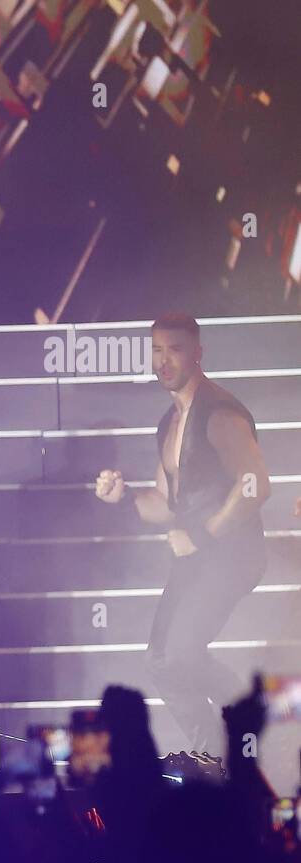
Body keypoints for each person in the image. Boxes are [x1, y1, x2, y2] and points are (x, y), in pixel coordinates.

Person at [96, 313, 271, 760]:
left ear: (197, 353)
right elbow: (164, 503)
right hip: (197, 559)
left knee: (180, 657)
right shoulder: (168, 424)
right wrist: (125, 497)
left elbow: (254, 484)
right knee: (161, 660)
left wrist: (202, 537)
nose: (164, 360)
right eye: (157, 350)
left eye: (174, 349)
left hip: (231, 556)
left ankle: (247, 717)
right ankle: (214, 754)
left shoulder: (219, 412)